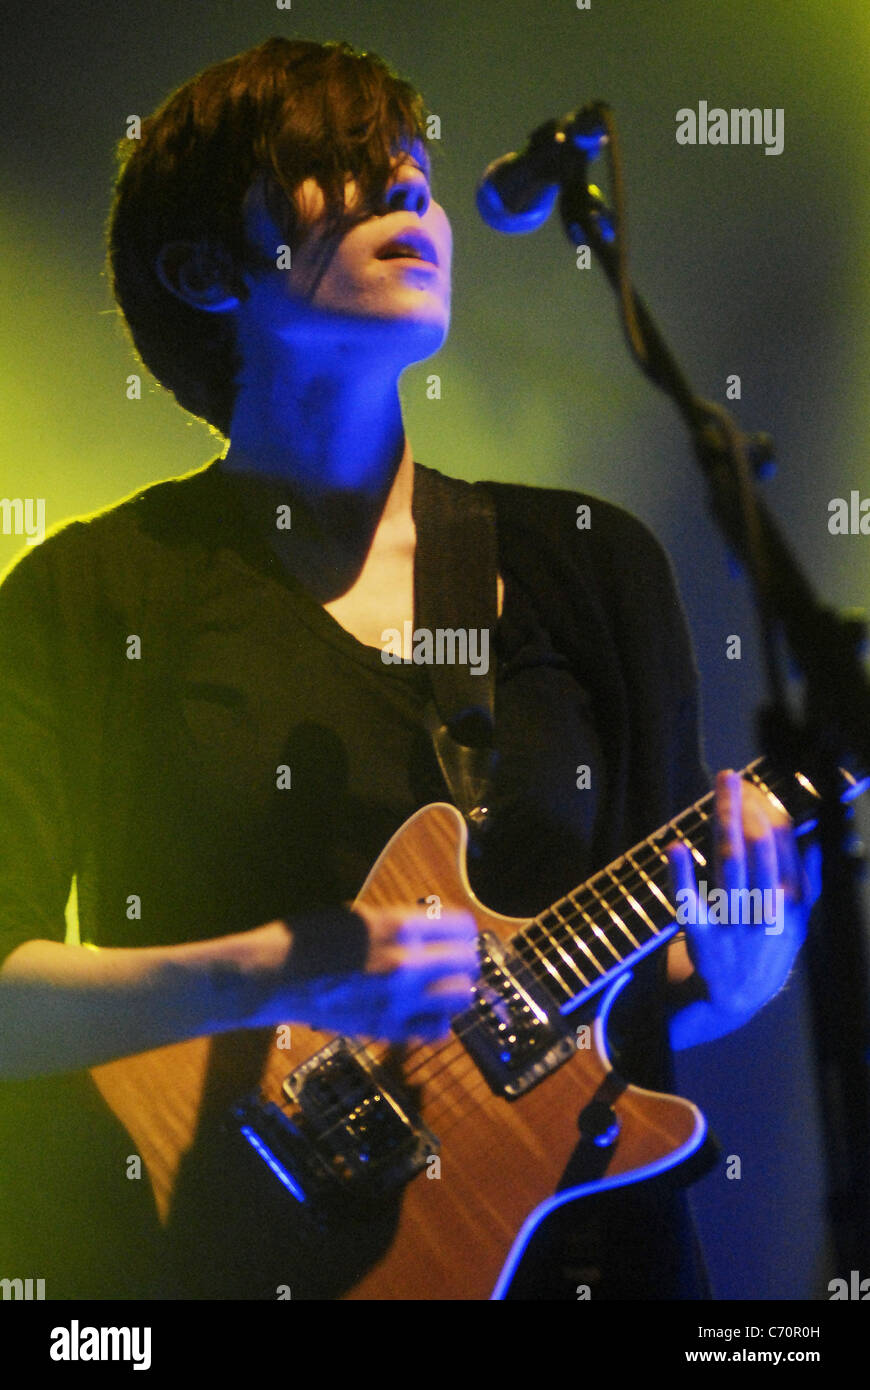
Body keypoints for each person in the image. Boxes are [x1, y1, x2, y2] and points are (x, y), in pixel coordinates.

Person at [0, 36, 812, 1300]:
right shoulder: (92, 594)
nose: (405, 190)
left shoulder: (589, 565)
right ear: (204, 267)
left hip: (582, 1262)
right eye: (337, 165)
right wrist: (287, 966)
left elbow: (648, 1003)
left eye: (414, 168)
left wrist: (744, 963)